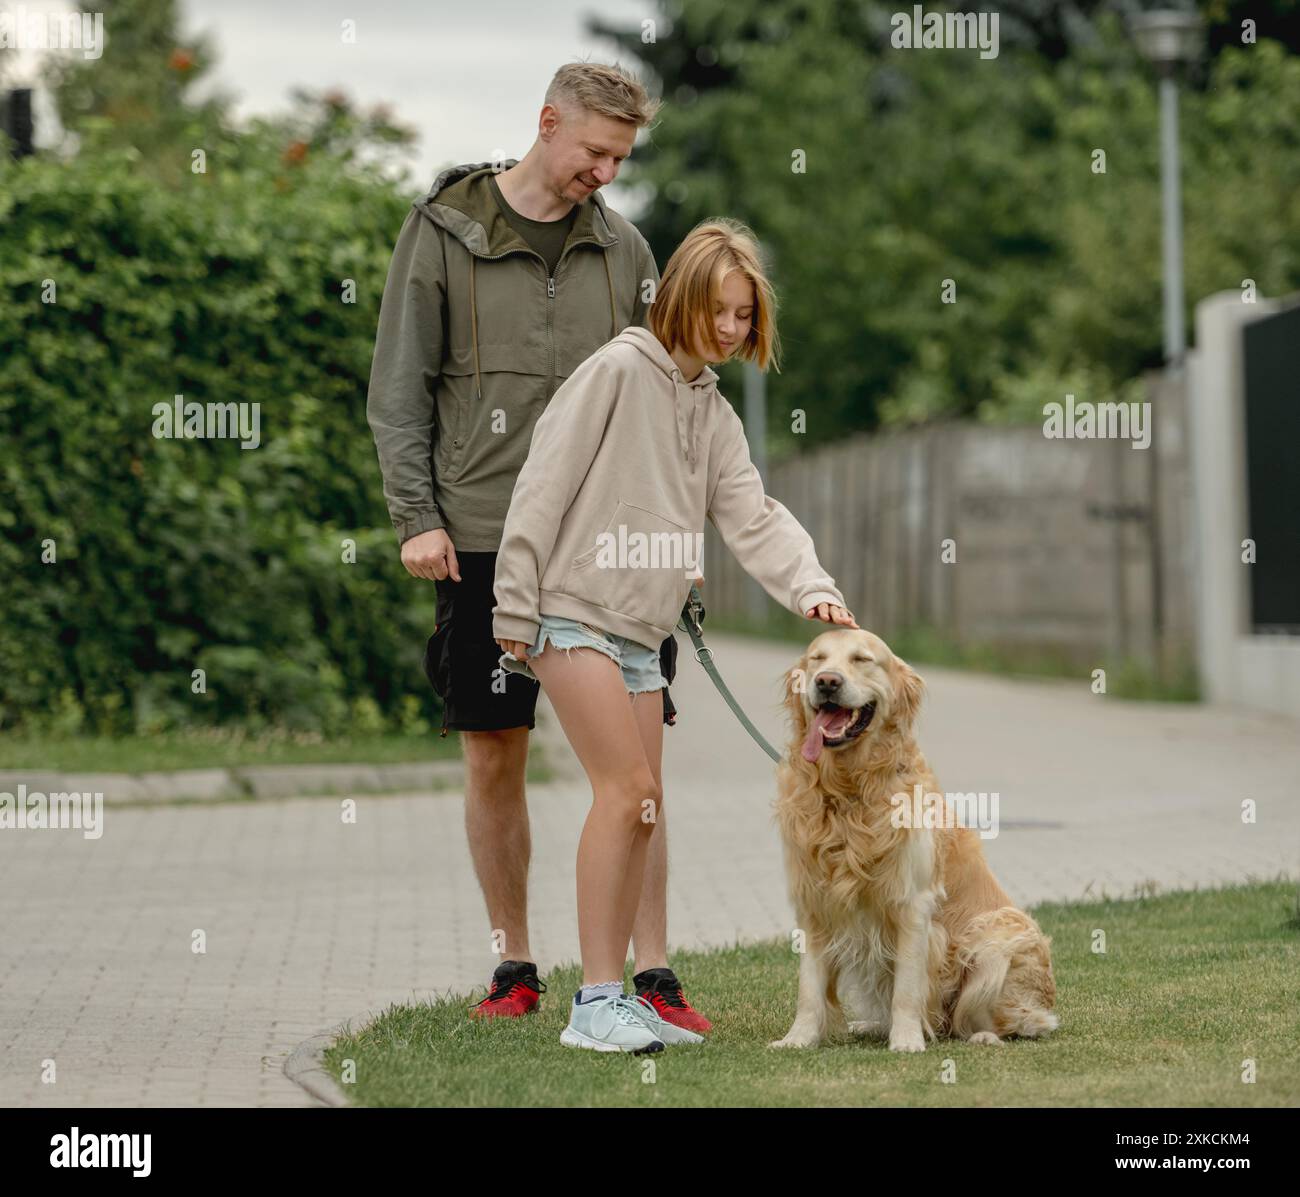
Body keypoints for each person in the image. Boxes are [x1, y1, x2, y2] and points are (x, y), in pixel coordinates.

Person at [365, 62, 715, 1033]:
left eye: (619, 159)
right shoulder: (441, 234)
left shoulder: (626, 249)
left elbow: (669, 396)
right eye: (593, 152)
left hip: (610, 548)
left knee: (638, 768)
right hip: (478, 535)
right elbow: (398, 390)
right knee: (494, 752)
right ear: (547, 123)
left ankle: (652, 975)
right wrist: (415, 517)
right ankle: (513, 965)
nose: (603, 172)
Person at [492, 218, 859, 1052]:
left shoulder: (712, 408)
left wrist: (814, 586)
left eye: (745, 316)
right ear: (684, 298)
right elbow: (542, 478)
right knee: (622, 794)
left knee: (646, 809)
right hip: (567, 611)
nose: (732, 329)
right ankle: (594, 1003)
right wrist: (513, 608)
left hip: (638, 631)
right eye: (721, 311)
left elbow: (751, 514)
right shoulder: (619, 370)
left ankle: (618, 999)